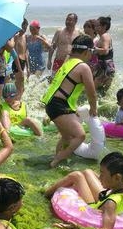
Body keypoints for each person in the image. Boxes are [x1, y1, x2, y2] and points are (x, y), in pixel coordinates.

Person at [45, 152, 123, 229]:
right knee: (88, 172)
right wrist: (104, 180)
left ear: (117, 177)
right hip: (105, 197)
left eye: (102, 174)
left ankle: (45, 194)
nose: (99, 177)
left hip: (94, 207)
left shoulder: (110, 204)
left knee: (76, 176)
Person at [41, 35, 97, 168]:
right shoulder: (83, 67)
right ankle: (57, 159)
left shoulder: (68, 63)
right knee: (80, 136)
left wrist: (73, 111)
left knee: (67, 137)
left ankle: (57, 160)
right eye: (92, 52)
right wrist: (94, 109)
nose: (91, 55)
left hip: (52, 104)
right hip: (59, 105)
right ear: (86, 51)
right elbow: (92, 92)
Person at [93, 16, 115, 91]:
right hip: (106, 66)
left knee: (94, 89)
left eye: (97, 26)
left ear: (104, 26)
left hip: (106, 67)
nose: (95, 28)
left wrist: (93, 49)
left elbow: (105, 50)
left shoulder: (104, 36)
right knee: (103, 91)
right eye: (95, 26)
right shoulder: (103, 36)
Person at [12, 19, 28, 96]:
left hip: (23, 61)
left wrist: (28, 68)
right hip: (17, 61)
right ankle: (16, 98)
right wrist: (19, 68)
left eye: (25, 28)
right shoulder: (16, 37)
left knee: (22, 82)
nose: (24, 30)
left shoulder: (25, 37)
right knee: (19, 82)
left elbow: (25, 53)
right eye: (22, 28)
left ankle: (19, 98)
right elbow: (14, 53)